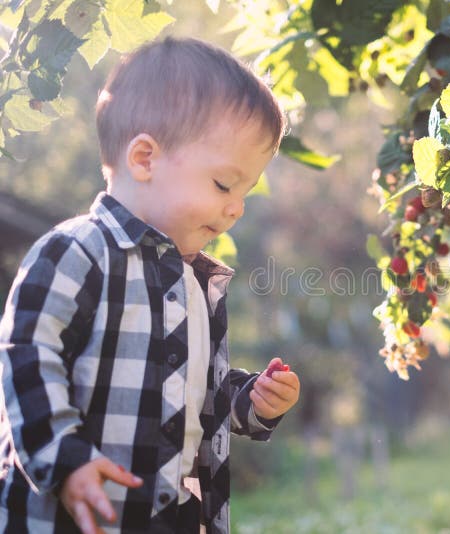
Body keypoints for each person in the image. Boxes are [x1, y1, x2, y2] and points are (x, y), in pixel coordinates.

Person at [0, 37, 300, 533]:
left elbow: (186, 390)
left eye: (244, 193)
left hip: (163, 517)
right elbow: (26, 354)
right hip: (68, 513)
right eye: (224, 185)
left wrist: (250, 400)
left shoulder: (191, 280)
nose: (236, 208)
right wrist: (63, 456)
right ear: (144, 158)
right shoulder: (78, 252)